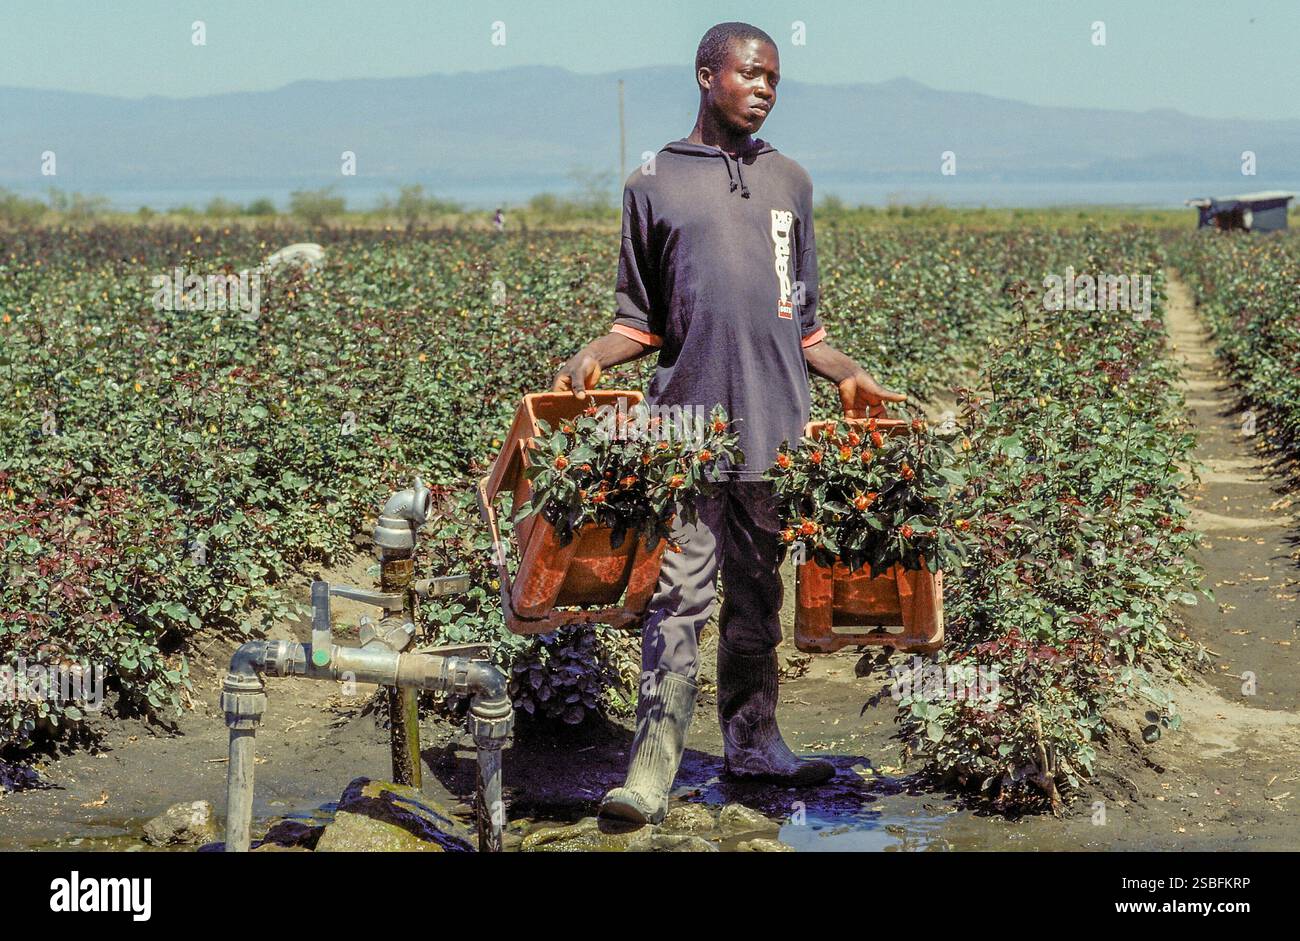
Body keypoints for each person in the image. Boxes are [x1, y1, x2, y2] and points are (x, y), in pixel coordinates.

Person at [551, 21, 906, 825]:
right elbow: (638, 321)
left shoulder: (793, 183)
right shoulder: (653, 182)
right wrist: (595, 352)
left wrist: (848, 373)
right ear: (708, 75)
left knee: (757, 599)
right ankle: (652, 766)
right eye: (751, 74)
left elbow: (806, 325)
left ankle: (754, 741)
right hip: (686, 438)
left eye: (775, 79)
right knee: (678, 598)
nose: (765, 89)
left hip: (779, 430)